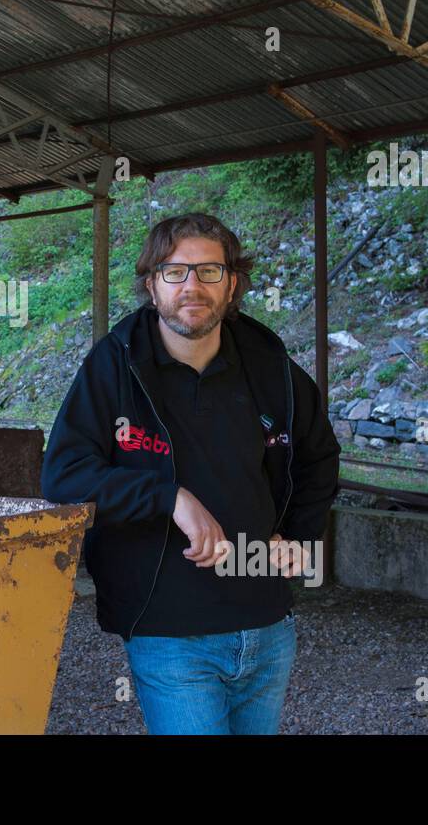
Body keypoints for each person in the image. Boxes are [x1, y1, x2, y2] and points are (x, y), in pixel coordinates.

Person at [41, 212, 341, 734]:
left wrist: (298, 532)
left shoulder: (272, 370)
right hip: (168, 630)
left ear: (233, 285)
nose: (192, 287)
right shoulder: (113, 367)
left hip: (266, 622)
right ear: (151, 285)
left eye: (209, 271)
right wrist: (167, 496)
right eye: (175, 272)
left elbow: (318, 457)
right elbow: (65, 475)